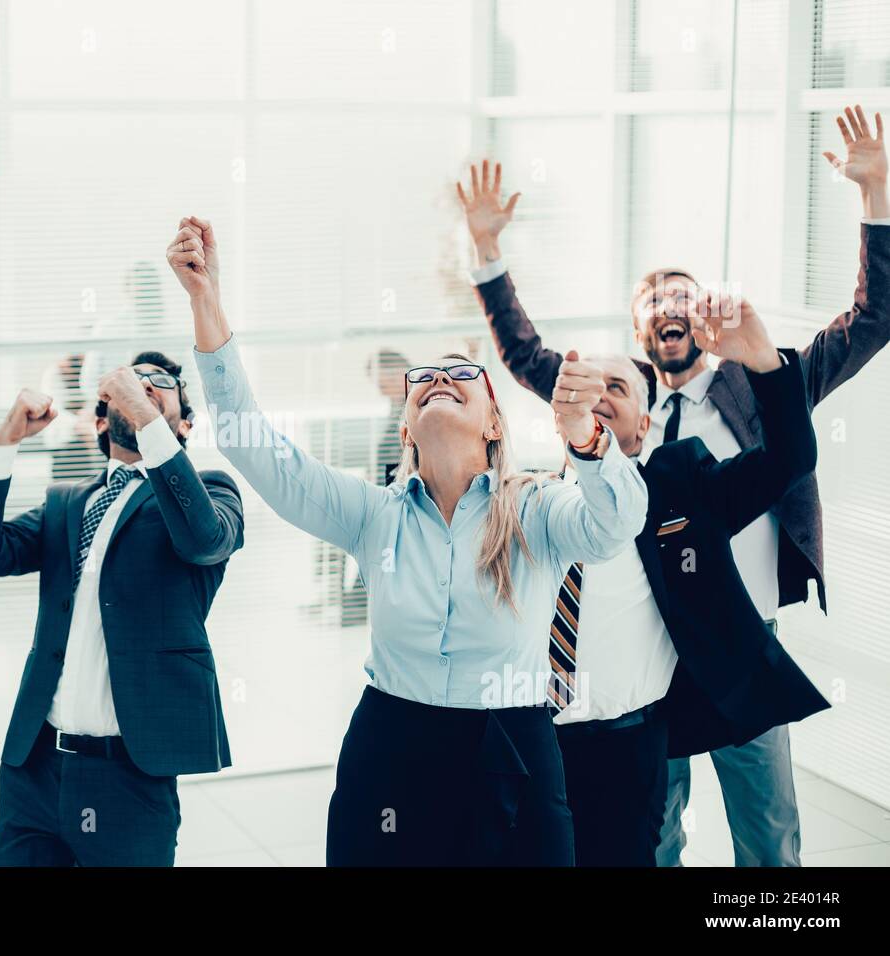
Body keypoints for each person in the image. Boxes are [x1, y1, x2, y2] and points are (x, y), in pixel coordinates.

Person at [460, 105, 889, 866]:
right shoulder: (617, 415)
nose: (668, 306)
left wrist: (874, 195)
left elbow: (869, 319)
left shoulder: (757, 385)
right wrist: (488, 252)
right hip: (648, 660)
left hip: (736, 643)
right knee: (653, 836)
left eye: (682, 294)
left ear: (705, 313)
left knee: (769, 834)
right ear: (636, 328)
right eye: (651, 300)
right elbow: (528, 355)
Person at [167, 215, 647, 866]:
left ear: (493, 427)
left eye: (462, 375)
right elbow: (250, 443)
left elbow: (618, 523)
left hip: (512, 750)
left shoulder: (537, 507)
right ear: (406, 430)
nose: (439, 378)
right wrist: (206, 302)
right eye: (423, 378)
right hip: (392, 748)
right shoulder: (372, 515)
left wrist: (584, 436)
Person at [543, 301, 828, 865]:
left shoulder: (679, 483)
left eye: (618, 388)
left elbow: (789, 458)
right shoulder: (529, 498)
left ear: (644, 425)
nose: (600, 396)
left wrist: (766, 363)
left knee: (733, 837)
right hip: (560, 730)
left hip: (675, 706)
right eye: (590, 385)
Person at [0, 353, 244, 866]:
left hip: (129, 778)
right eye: (131, 384)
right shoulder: (68, 502)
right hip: (36, 768)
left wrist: (146, 416)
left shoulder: (212, 492)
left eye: (159, 385)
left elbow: (203, 540)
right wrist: (4, 443)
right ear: (100, 420)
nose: (143, 386)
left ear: (186, 424)